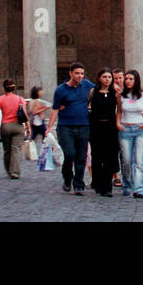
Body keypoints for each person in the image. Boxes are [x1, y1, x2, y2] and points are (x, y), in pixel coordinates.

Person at [51, 61, 93, 195]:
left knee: (81, 156)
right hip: (65, 127)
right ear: (70, 74)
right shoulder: (60, 90)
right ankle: (68, 176)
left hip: (83, 126)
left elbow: (101, 89)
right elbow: (55, 109)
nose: (80, 76)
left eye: (81, 73)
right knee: (69, 154)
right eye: (77, 73)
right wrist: (49, 127)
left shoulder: (87, 85)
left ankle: (78, 184)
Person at [118, 69, 143, 197]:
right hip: (125, 130)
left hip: (141, 130)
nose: (127, 81)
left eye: (130, 79)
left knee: (138, 161)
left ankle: (139, 189)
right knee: (126, 160)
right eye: (126, 79)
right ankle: (127, 184)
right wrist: (118, 123)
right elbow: (119, 112)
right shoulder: (121, 95)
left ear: (136, 80)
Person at [87, 68, 121, 197]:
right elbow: (88, 107)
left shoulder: (115, 92)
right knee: (97, 156)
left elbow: (119, 109)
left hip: (110, 127)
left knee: (110, 156)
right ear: (99, 78)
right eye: (104, 76)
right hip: (96, 127)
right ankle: (97, 182)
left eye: (109, 77)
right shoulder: (93, 92)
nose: (107, 79)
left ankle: (107, 187)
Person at [0, 78, 26, 179]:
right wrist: (28, 127)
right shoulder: (20, 99)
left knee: (7, 150)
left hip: (6, 126)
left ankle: (9, 170)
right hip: (18, 125)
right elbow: (25, 114)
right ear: (14, 88)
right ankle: (15, 172)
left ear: (4, 88)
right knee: (16, 150)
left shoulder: (0, 99)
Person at [27, 86, 49, 150]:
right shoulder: (37, 101)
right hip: (38, 121)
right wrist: (44, 108)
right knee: (45, 135)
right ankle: (44, 149)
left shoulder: (31, 101)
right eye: (40, 91)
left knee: (34, 136)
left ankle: (30, 148)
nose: (41, 92)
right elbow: (35, 111)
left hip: (34, 121)